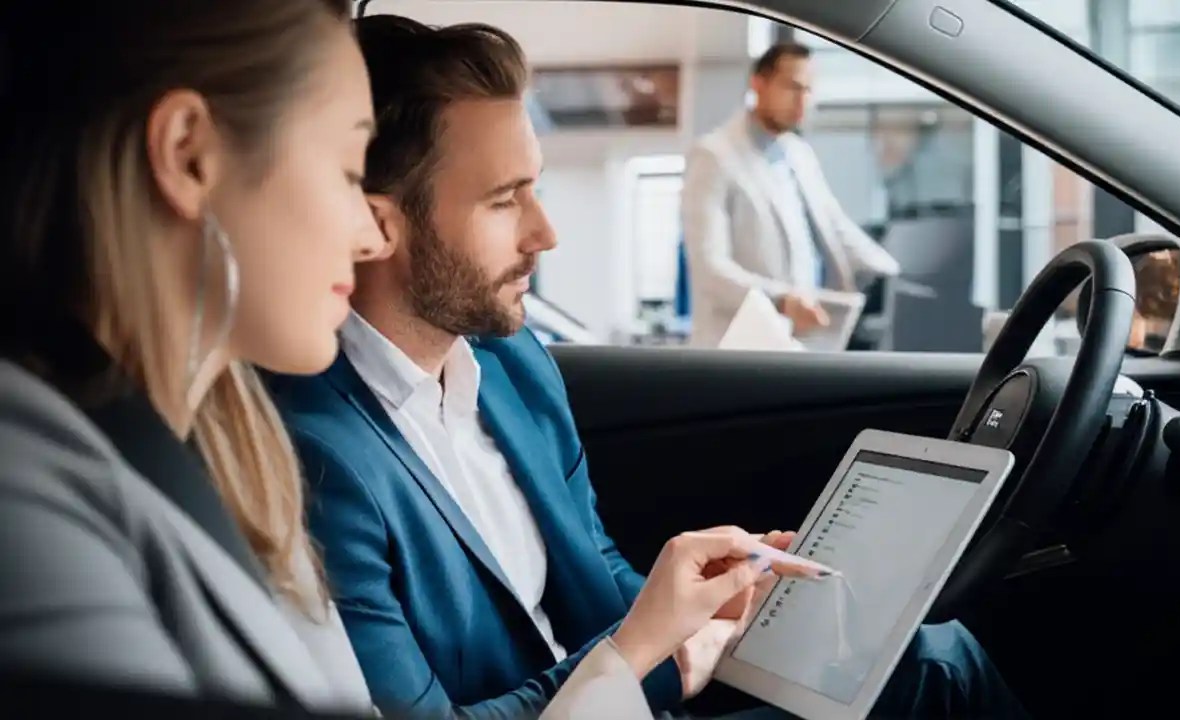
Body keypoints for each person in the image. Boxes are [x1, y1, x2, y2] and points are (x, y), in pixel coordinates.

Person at [0, 4, 780, 718]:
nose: (368, 233)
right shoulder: (48, 491)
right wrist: (642, 657)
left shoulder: (248, 457)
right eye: (347, 175)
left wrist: (693, 618)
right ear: (189, 157)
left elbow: (591, 565)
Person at [267, 17, 1028, 720]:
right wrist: (654, 660)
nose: (547, 233)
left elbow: (590, 574)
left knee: (933, 657)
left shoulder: (510, 365)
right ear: (378, 224)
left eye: (537, 188)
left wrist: (718, 606)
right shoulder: (315, 457)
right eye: (505, 202)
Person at [681, 42, 901, 349]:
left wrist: (891, 270)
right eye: (793, 87)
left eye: (809, 90)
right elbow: (710, 267)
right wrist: (781, 300)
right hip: (733, 346)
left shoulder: (799, 155)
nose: (803, 101)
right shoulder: (713, 156)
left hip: (793, 342)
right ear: (758, 83)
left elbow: (836, 226)